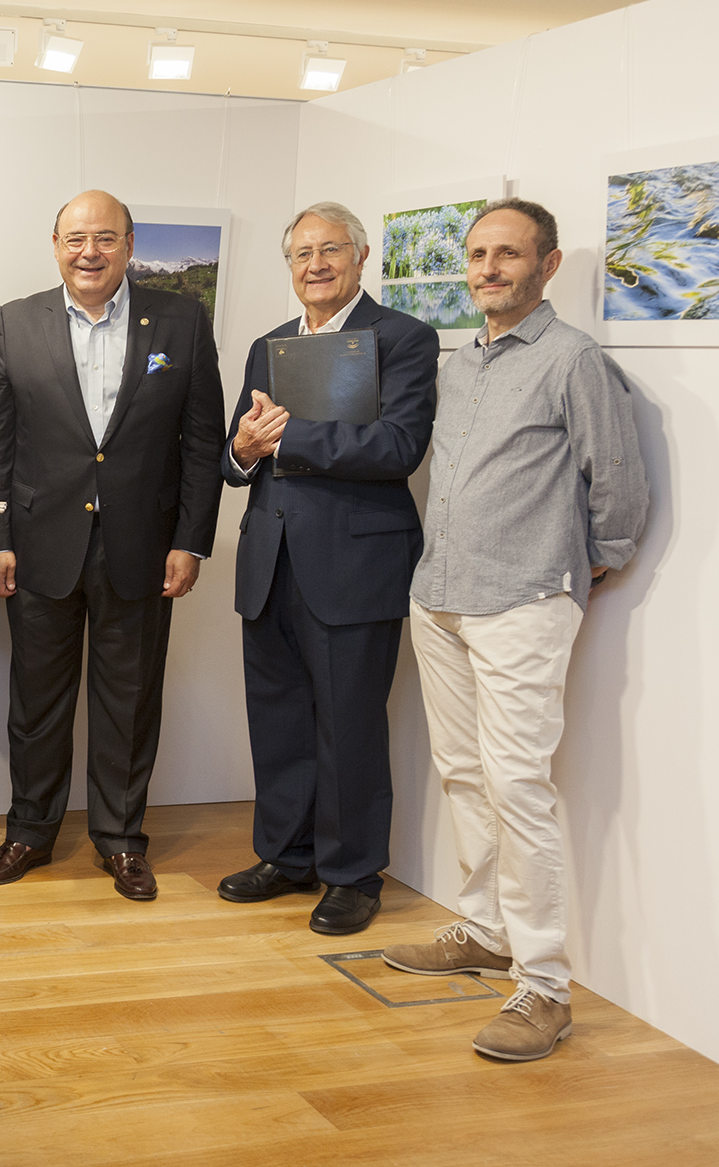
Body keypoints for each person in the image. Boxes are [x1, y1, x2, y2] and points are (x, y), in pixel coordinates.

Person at [383, 199, 647, 1062]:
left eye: (508, 254)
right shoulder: (462, 364)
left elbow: (617, 480)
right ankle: (487, 928)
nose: (488, 269)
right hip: (440, 596)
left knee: (518, 785)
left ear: (548, 263)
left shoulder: (573, 358)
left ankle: (545, 987)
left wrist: (594, 561)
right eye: (478, 254)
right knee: (463, 772)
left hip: (523, 600)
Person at [0, 190, 223, 901]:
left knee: (130, 700)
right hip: (37, 544)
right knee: (36, 702)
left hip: (142, 544)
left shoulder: (182, 319)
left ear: (130, 245)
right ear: (56, 245)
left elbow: (202, 441)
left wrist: (191, 541)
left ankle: (120, 839)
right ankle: (29, 832)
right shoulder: (16, 321)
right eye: (77, 239)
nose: (90, 252)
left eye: (106, 238)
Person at [215, 203, 439, 936]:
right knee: (278, 721)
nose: (315, 265)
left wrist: (288, 439)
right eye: (302, 254)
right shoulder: (268, 346)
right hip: (270, 562)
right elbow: (235, 456)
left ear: (361, 256)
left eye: (330, 250)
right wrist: (245, 449)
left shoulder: (402, 338)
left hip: (356, 566)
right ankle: (287, 857)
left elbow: (399, 447)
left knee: (350, 727)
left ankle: (352, 876)